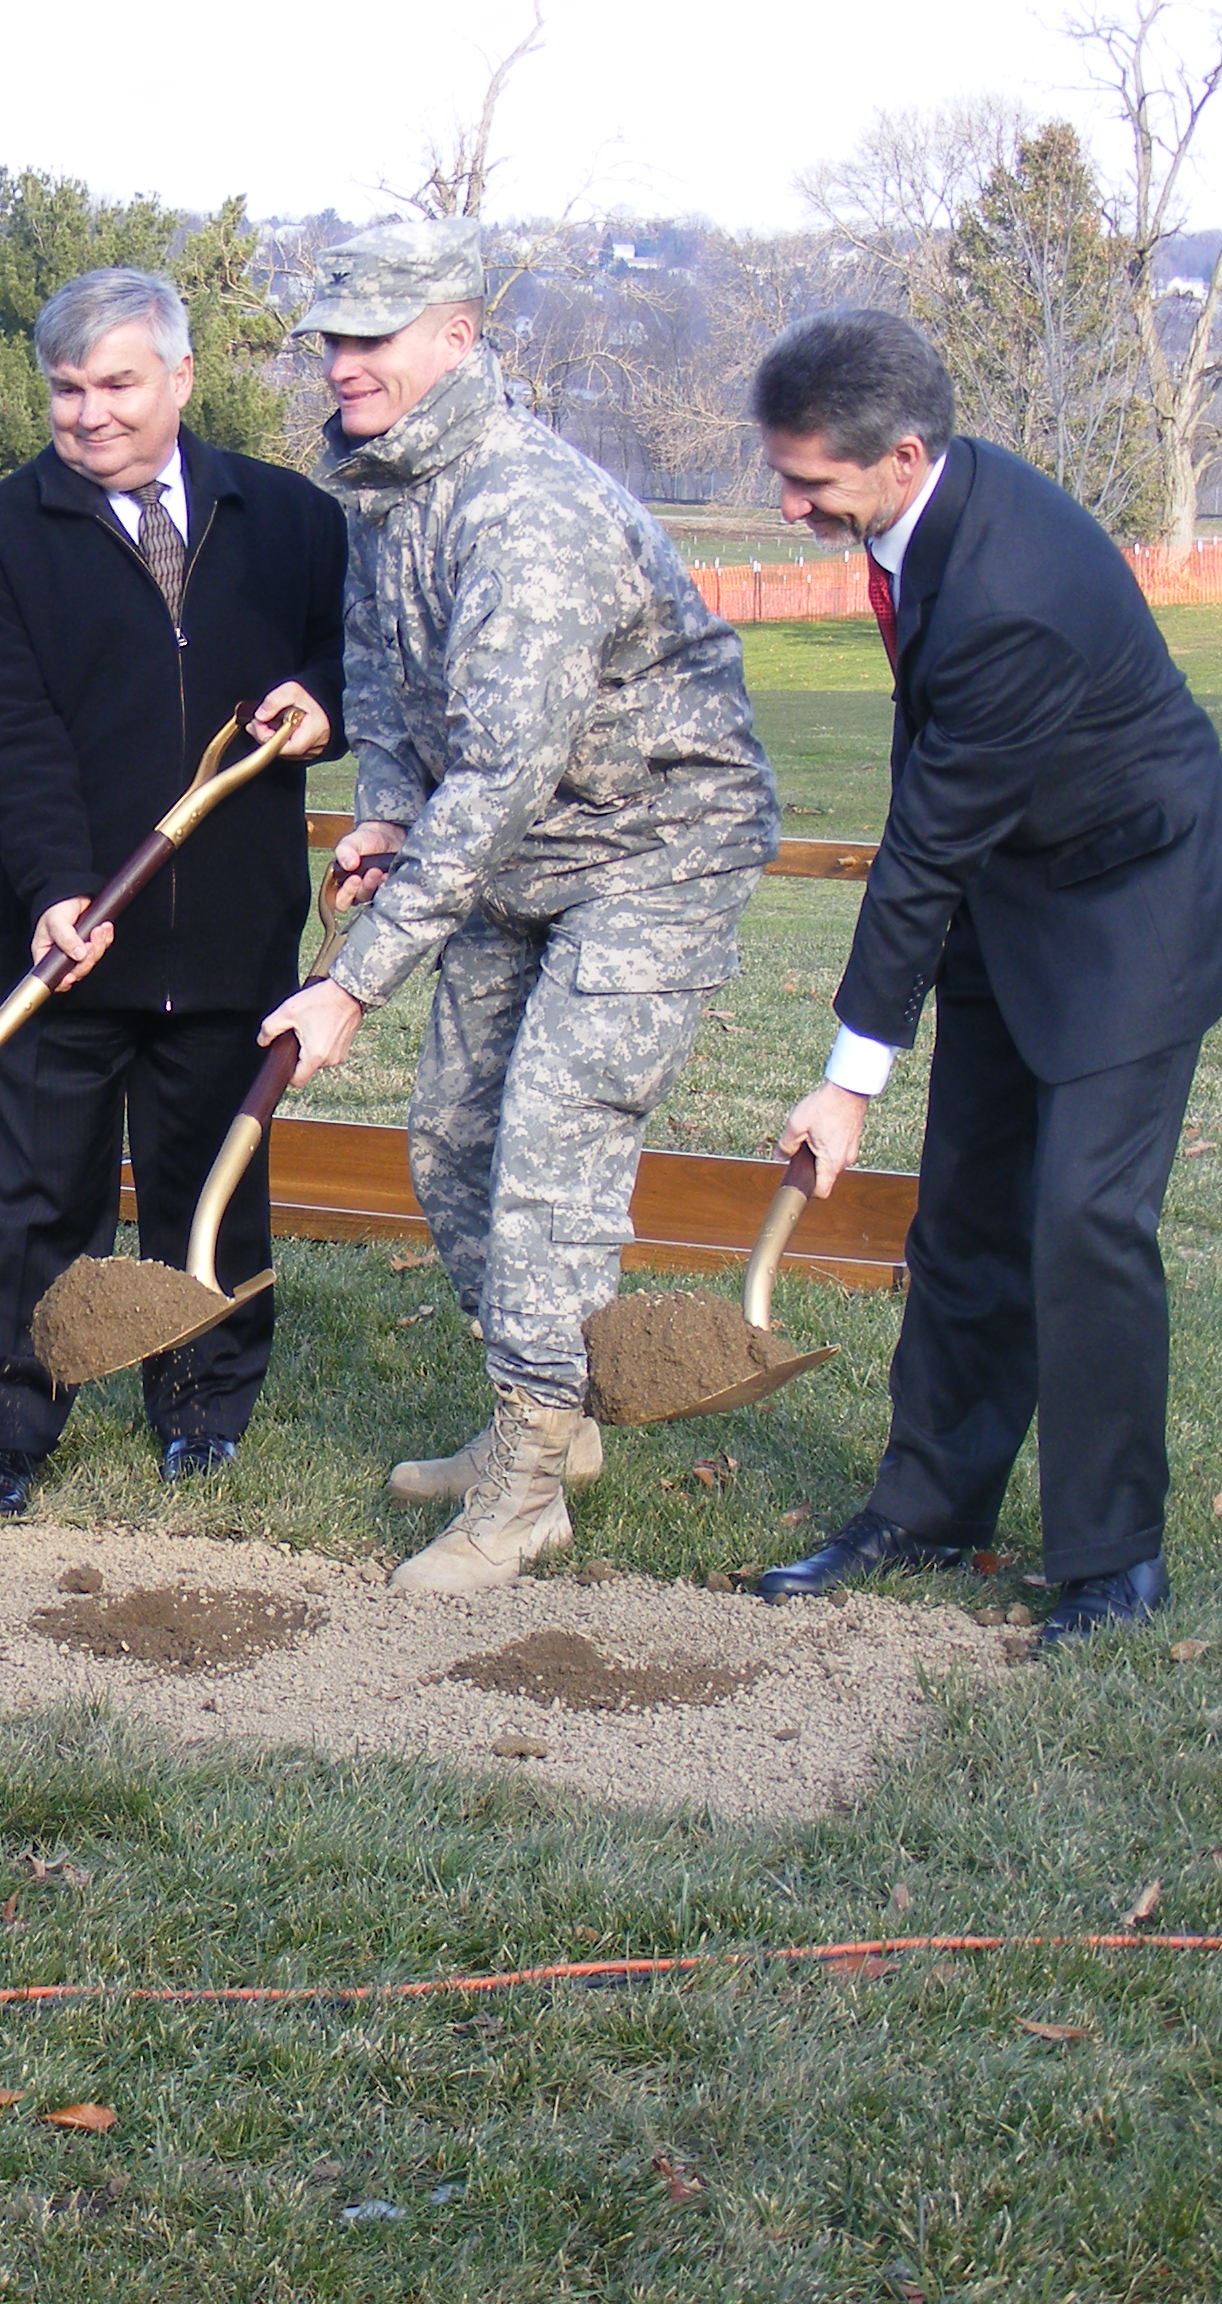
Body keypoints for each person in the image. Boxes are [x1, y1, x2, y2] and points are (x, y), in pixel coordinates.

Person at [259, 219, 779, 1593]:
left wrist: (353, 980)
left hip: (653, 847)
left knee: (552, 1140)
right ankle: (541, 1414)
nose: (346, 362)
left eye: (375, 337)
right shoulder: (390, 487)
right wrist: (377, 804)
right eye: (335, 337)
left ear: (458, 335)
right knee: (449, 1135)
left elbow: (495, 775)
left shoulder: (523, 512)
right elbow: (379, 665)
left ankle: (531, 1479)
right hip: (516, 851)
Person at [749, 312, 1222, 1647]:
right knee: (971, 1216)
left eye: (811, 482)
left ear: (903, 452)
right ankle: (930, 1507)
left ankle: (1113, 1563)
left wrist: (849, 1081)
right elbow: (942, 812)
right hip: (1012, 886)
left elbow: (924, 841)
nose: (791, 503)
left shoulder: (1014, 594)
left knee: (1083, 1220)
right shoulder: (922, 515)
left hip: (1134, 904)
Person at [0, 267, 344, 1518]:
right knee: (38, 1192)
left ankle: (202, 1408)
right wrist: (58, 889)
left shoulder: (290, 522)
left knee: (206, 1184)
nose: (91, 413)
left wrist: (331, 706)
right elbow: (7, 737)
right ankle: (12, 1422)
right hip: (59, 943)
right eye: (67, 388)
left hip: (230, 933)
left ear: (180, 379)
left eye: (117, 383)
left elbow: (363, 665)